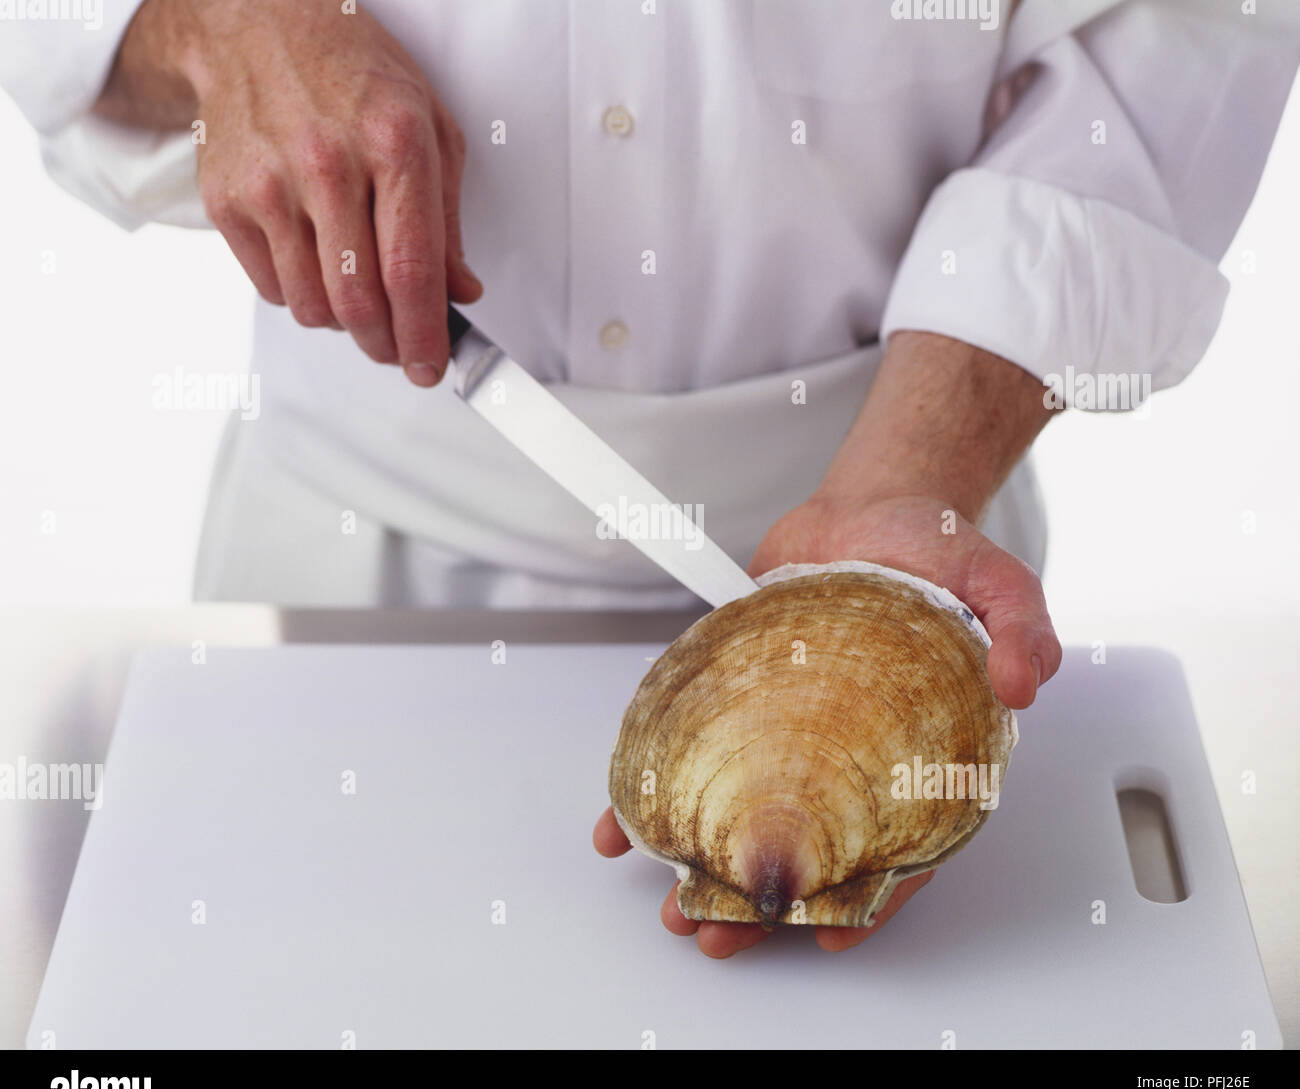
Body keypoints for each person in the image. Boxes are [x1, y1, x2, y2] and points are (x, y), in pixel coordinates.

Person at [3, 0, 1295, 957]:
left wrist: (918, 465)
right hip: (346, 557)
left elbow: (1178, 36)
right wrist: (223, 30)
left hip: (898, 510)